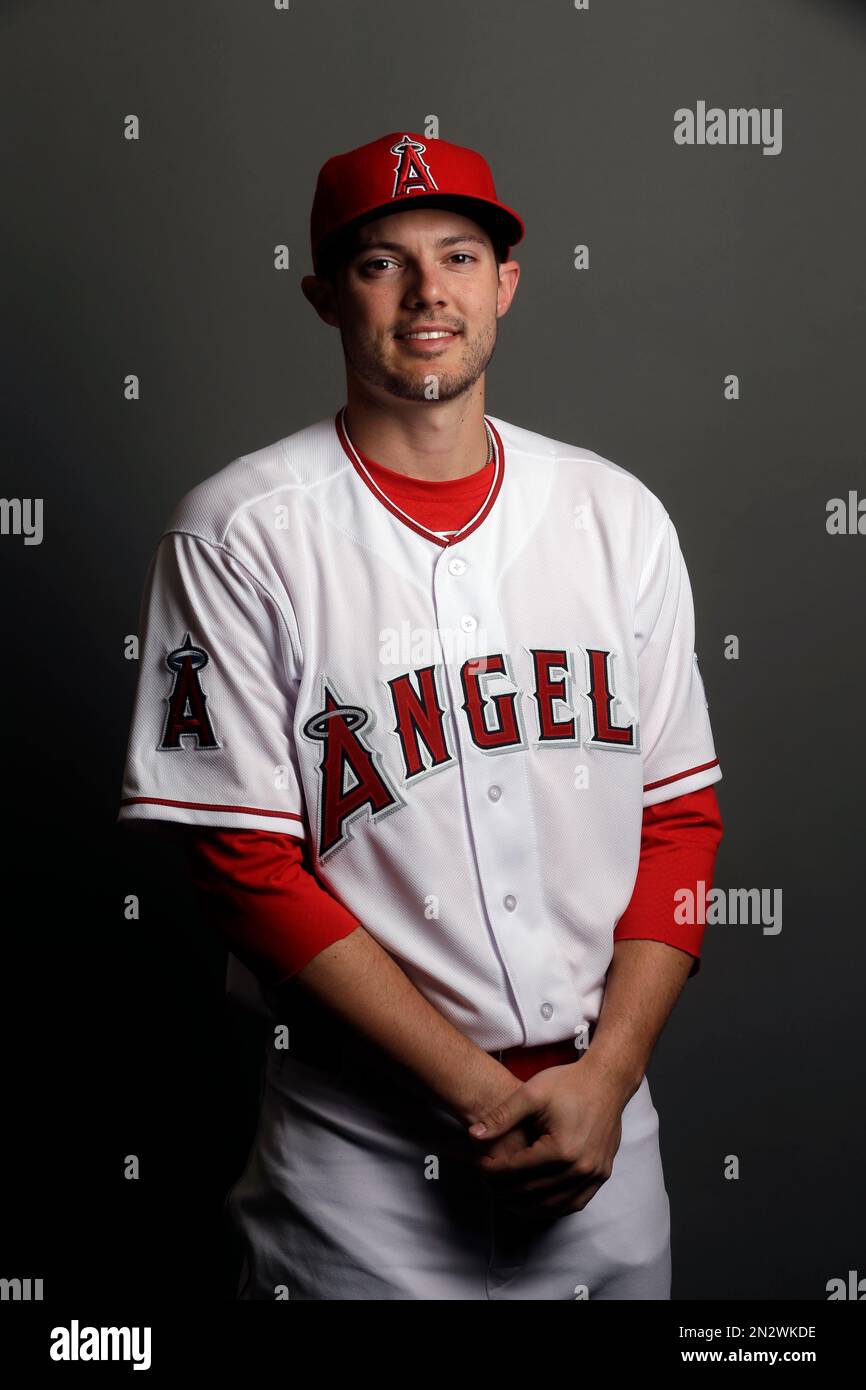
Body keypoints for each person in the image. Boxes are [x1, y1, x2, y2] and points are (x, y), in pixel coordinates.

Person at [117, 130, 724, 1300]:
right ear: (323, 297)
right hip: (363, 1171)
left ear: (506, 282)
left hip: (608, 1139)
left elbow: (680, 820)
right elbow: (242, 865)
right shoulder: (237, 534)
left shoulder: (615, 514)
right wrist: (485, 1098)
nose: (426, 291)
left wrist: (607, 1078)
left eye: (457, 254)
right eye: (380, 262)